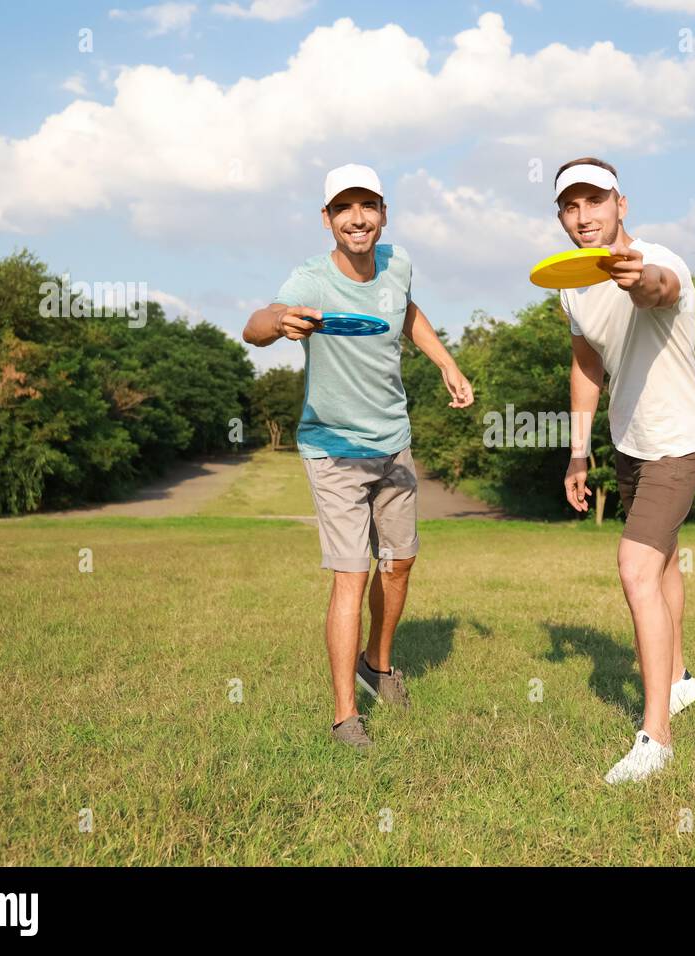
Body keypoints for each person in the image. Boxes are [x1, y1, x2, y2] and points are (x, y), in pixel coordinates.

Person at [242, 163, 474, 749]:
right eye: (343, 208)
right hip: (334, 449)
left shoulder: (398, 263)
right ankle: (346, 716)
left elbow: (408, 313)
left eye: (367, 205)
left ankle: (379, 664)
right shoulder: (311, 279)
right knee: (352, 574)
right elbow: (255, 326)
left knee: (397, 564)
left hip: (393, 443)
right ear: (327, 219)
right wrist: (279, 323)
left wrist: (446, 363)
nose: (357, 218)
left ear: (383, 212)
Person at [555, 157, 695, 783]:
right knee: (665, 561)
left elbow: (659, 291)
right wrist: (577, 449)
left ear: (622, 205)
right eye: (570, 206)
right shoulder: (570, 285)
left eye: (595, 201)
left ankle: (656, 738)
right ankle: (678, 679)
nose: (583, 215)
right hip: (631, 441)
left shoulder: (659, 260)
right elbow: (587, 364)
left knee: (634, 568)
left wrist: (633, 279)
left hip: (679, 438)